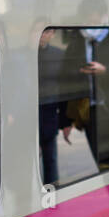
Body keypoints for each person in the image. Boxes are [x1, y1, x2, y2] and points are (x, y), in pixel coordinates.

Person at [60, 0, 109, 170]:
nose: (90, 25)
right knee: (103, 164)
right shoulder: (76, 45)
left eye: (94, 21)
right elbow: (66, 81)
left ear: (105, 17)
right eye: (87, 21)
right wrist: (66, 121)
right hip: (91, 114)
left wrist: (106, 71)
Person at [36, 22, 68, 188]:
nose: (43, 34)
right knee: (29, 161)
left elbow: (65, 88)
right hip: (28, 113)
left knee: (50, 158)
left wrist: (66, 121)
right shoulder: (24, 54)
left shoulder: (59, 55)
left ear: (53, 34)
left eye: (47, 31)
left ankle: (52, 197)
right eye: (40, 30)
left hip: (49, 112)